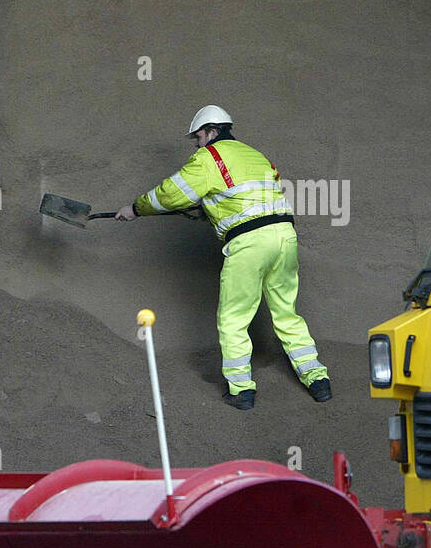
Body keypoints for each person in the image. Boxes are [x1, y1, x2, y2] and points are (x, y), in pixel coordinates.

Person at [116, 105, 331, 410]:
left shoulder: (209, 158)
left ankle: (241, 390)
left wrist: (135, 209)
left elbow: (170, 193)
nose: (197, 144)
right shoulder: (256, 155)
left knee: (233, 318)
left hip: (249, 243)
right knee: (286, 313)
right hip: (284, 236)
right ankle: (318, 379)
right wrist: (212, 209)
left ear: (213, 132)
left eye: (199, 137)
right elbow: (247, 197)